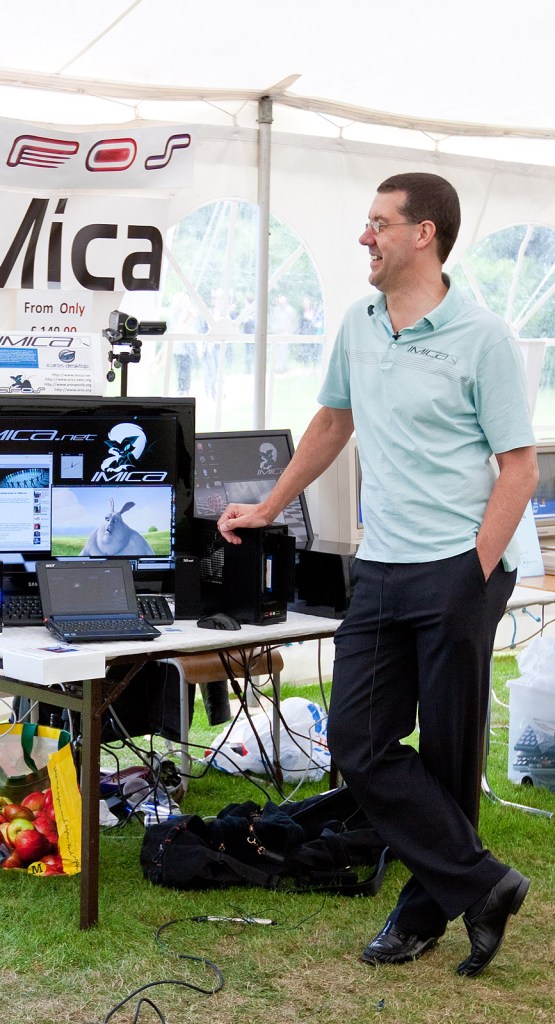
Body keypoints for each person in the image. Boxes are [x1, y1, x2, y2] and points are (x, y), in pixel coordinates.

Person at [216, 172, 538, 977]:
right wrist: (268, 507)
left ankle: (421, 915)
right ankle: (482, 884)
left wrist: (476, 567)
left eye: (377, 223)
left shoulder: (482, 335)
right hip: (385, 560)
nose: (363, 237)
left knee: (449, 750)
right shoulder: (360, 324)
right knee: (357, 742)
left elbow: (519, 468)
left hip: (461, 564)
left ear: (422, 235)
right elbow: (333, 419)